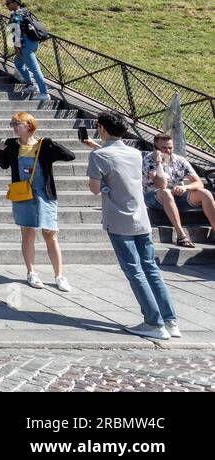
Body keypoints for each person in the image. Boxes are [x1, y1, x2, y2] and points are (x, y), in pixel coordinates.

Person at [84, 112, 179, 340]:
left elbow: (95, 189)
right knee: (151, 268)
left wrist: (106, 186)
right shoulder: (136, 153)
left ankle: (153, 322)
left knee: (134, 270)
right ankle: (170, 320)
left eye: (97, 125)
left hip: (118, 218)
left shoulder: (98, 155)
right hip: (141, 218)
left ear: (102, 128)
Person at [0, 111, 75, 291]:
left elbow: (70, 156)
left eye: (17, 123)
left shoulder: (43, 145)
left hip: (44, 195)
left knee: (50, 234)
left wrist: (52, 143)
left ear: (29, 125)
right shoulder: (11, 145)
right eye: (12, 123)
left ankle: (59, 275)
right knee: (28, 233)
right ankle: (31, 272)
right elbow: (5, 165)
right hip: (23, 194)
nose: (13, 127)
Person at [143, 133, 215, 249]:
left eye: (170, 148)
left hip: (176, 197)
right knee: (166, 192)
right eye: (164, 148)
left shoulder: (180, 160)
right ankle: (181, 235)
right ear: (155, 148)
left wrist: (184, 188)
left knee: (205, 193)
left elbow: (199, 183)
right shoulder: (149, 160)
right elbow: (162, 184)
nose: (168, 151)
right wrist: (159, 162)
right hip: (154, 198)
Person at [5, 0, 50, 100]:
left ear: (16, 3)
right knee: (18, 64)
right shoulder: (24, 11)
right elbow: (23, 4)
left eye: (8, 3)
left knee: (35, 69)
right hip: (33, 43)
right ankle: (31, 85)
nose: (6, 5)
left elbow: (16, 33)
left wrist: (16, 48)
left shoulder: (15, 16)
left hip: (24, 45)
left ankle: (44, 93)